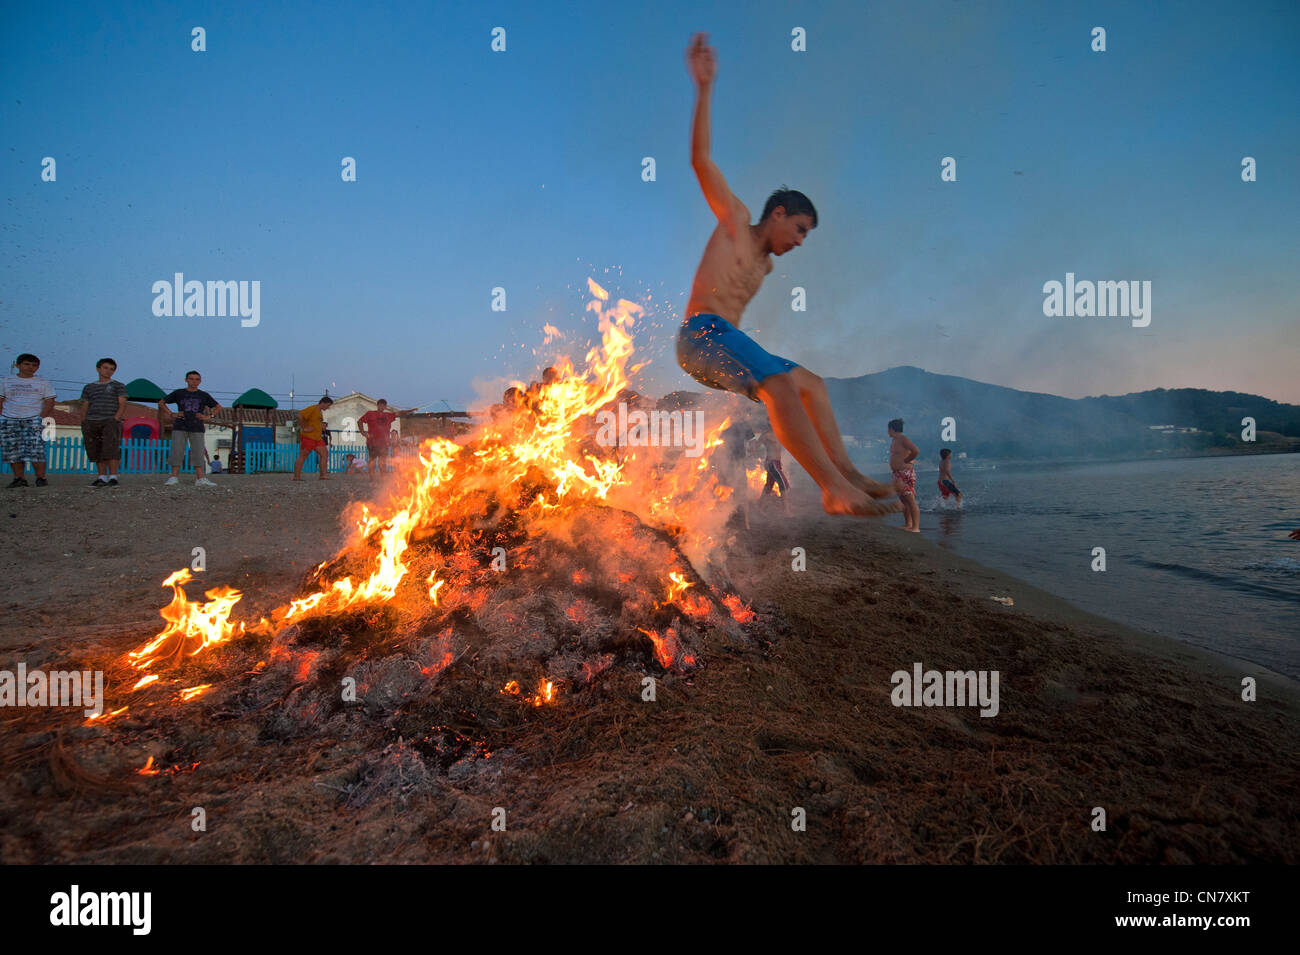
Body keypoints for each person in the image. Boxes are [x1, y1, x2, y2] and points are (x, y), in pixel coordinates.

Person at [676, 33, 897, 518]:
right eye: (799, 229)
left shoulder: (766, 264)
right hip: (699, 337)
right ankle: (831, 490)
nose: (800, 242)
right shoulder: (734, 221)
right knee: (778, 385)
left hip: (725, 339)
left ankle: (849, 475)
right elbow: (700, 160)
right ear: (776, 213)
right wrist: (705, 88)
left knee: (812, 384)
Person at [0, 353, 56, 488]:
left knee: (37, 450)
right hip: (9, 419)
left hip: (33, 419)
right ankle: (19, 478)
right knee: (13, 451)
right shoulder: (6, 381)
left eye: (34, 365)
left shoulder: (43, 382)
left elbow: (50, 402)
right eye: (26, 364)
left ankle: (41, 478)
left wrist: (40, 417)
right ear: (18, 365)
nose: (30, 367)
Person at [160, 371, 221, 486]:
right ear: (186, 380)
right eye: (191, 379)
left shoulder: (204, 395)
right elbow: (161, 403)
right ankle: (173, 477)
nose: (194, 381)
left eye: (197, 379)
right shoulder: (179, 393)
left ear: (200, 381)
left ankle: (200, 478)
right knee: (177, 450)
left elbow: (218, 407)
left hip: (197, 426)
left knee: (198, 452)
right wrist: (171, 413)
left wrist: (208, 416)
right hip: (180, 425)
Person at [80, 358, 127, 487]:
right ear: (98, 369)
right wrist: (84, 421)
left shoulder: (118, 385)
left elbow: (122, 404)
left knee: (111, 449)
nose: (108, 371)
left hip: (110, 420)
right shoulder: (89, 387)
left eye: (112, 369)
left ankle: (113, 477)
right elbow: (84, 405)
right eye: (106, 368)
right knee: (96, 449)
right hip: (92, 421)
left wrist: (115, 419)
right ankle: (101, 477)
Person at [357, 399, 416, 479]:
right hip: (372, 443)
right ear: (377, 405)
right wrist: (363, 433)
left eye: (383, 405)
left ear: (385, 407)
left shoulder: (388, 415)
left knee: (383, 462)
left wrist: (410, 410)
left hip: (384, 443)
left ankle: (383, 479)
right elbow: (359, 421)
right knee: (372, 462)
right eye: (380, 405)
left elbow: (399, 413)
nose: (382, 407)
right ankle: (372, 479)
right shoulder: (370, 414)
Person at [888, 419, 921, 532]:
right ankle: (908, 524)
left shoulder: (903, 439)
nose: (887, 432)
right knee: (903, 500)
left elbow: (916, 450)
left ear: (891, 429)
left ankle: (916, 528)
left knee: (910, 500)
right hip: (897, 473)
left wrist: (907, 460)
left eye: (888, 429)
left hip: (905, 473)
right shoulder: (894, 440)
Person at [293, 396, 333, 481]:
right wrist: (304, 428)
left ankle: (323, 475)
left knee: (325, 454)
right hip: (309, 437)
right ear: (323, 403)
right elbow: (300, 415)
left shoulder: (319, 412)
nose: (328, 407)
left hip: (318, 438)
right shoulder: (313, 408)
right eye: (328, 405)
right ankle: (296, 477)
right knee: (303, 456)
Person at [761, 430, 790, 510]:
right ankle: (786, 510)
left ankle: (760, 506)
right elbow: (757, 445)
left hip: (775, 463)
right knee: (783, 484)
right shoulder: (766, 434)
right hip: (772, 463)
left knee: (769, 486)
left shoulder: (778, 433)